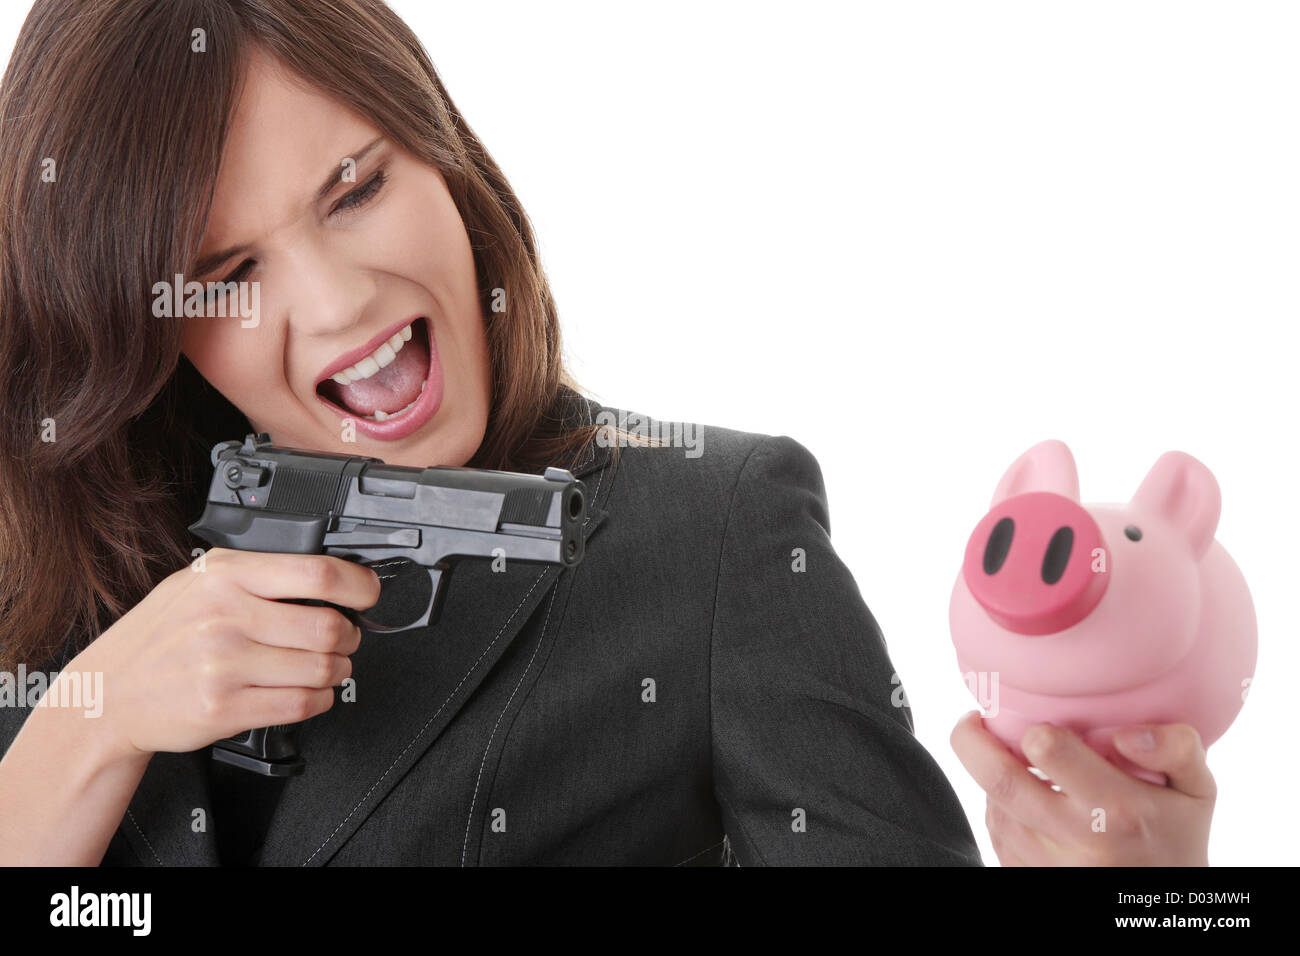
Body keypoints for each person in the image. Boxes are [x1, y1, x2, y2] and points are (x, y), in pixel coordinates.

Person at [0, 0, 1214, 866]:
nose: (336, 301)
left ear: (445, 161)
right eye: (226, 270)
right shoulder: (52, 589)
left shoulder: (713, 528)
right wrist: (87, 724)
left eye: (357, 187)